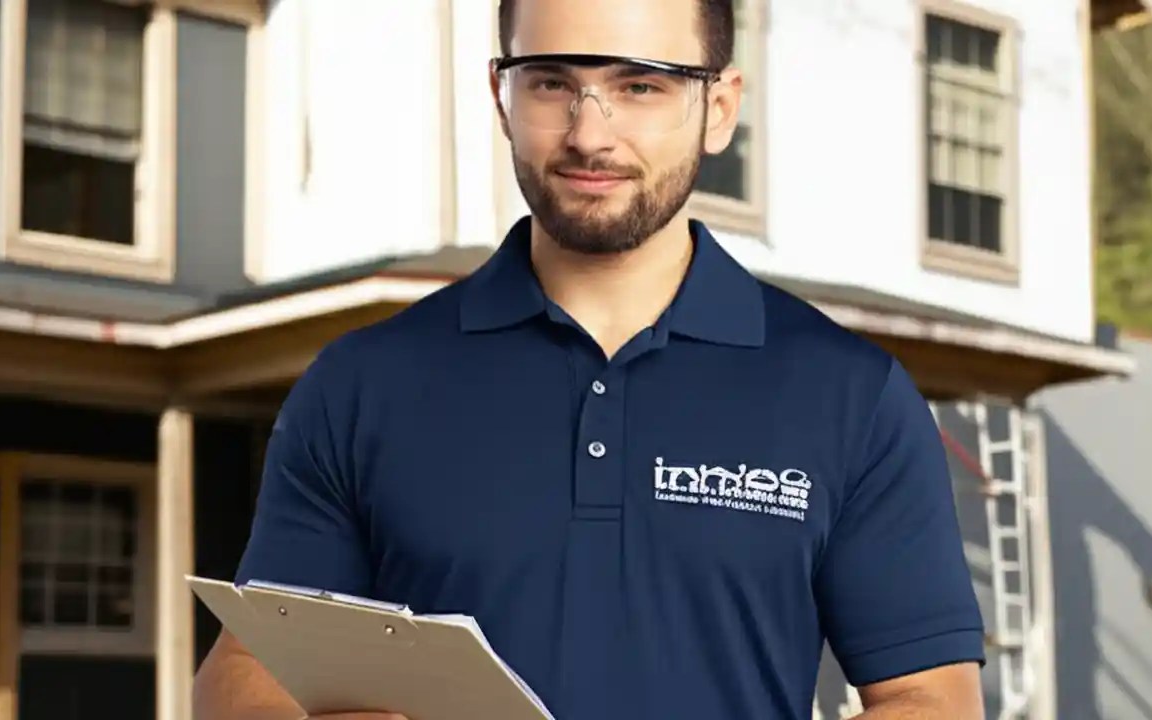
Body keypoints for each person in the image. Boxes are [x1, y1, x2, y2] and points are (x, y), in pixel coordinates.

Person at [193, 0, 988, 717]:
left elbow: (931, 697)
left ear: (719, 107)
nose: (589, 134)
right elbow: (247, 668)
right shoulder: (361, 386)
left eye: (641, 85)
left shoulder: (851, 394)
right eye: (551, 83)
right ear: (501, 97)